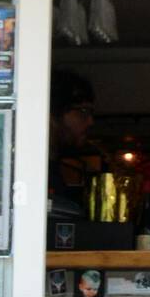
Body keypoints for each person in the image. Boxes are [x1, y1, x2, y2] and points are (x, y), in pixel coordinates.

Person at [48, 69, 100, 217]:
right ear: (53, 113)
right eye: (83, 111)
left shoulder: (52, 168)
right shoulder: (31, 169)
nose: (90, 122)